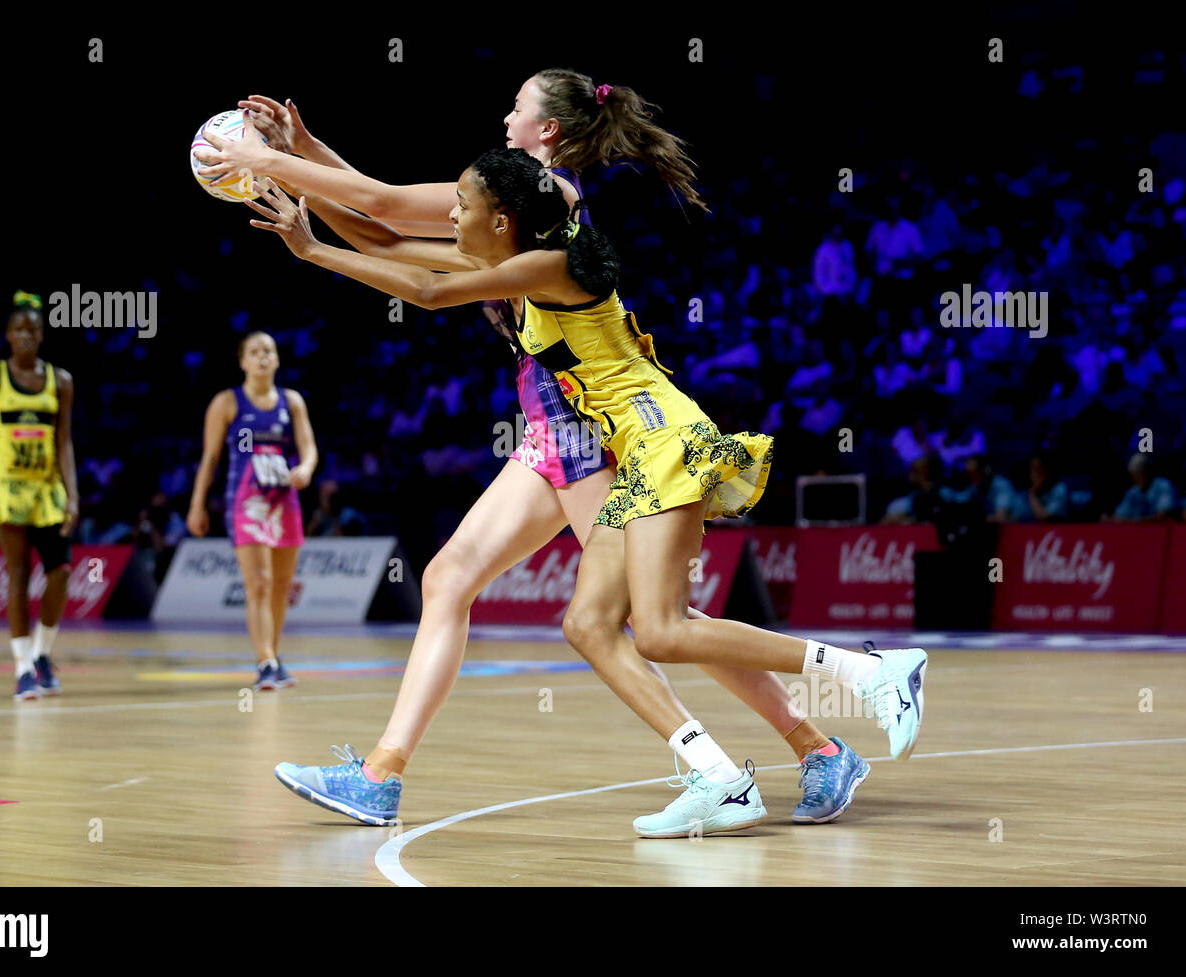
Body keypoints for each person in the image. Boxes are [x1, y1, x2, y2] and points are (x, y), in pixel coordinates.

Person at [196, 76, 877, 829]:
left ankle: (796, 749)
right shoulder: (501, 200)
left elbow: (386, 213)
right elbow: (383, 225)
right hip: (548, 428)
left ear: (547, 131)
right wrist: (300, 154)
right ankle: (381, 776)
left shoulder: (547, 197)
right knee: (450, 577)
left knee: (654, 621)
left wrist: (263, 158)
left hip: (589, 431)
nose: (504, 114)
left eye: (518, 105)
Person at [187, 331, 317, 690]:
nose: (263, 357)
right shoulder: (227, 403)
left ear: (276, 360)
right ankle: (265, 660)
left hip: (283, 502)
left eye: (269, 351)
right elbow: (210, 458)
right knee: (257, 584)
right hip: (245, 503)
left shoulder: (291, 402)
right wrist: (197, 503)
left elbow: (309, 450)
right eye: (255, 352)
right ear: (242, 361)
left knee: (280, 586)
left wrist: (304, 469)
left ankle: (273, 655)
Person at [0, 291, 79, 701]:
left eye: (32, 329)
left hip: (47, 487)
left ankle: (41, 654)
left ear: (42, 334)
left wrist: (72, 495)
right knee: (17, 575)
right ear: (8, 335)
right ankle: (22, 669)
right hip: (8, 487)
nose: (25, 335)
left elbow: (65, 441)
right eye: (18, 329)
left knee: (61, 573)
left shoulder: (61, 380)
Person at [1107, 453, 1177, 522]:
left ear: (1147, 472)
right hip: (1138, 531)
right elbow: (1120, 515)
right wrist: (1109, 519)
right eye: (1134, 475)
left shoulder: (1163, 486)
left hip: (1161, 531)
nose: (1135, 478)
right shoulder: (1133, 491)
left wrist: (1131, 522)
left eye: (1139, 474)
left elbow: (1163, 516)